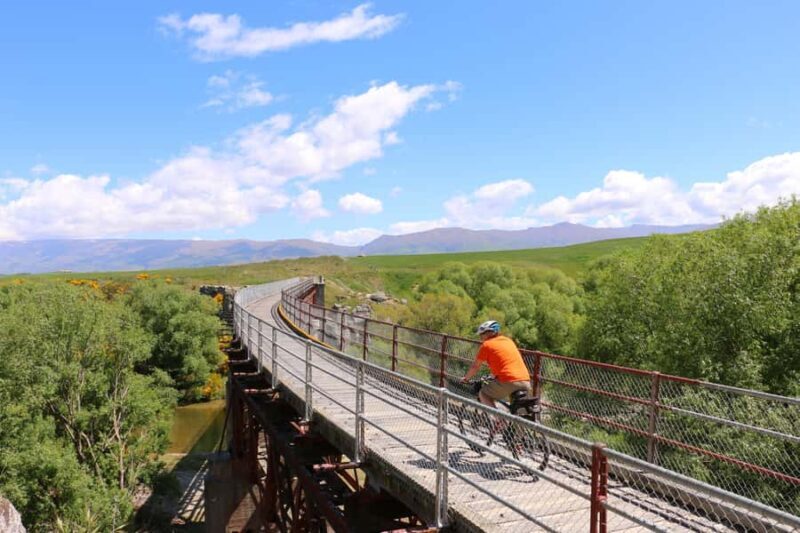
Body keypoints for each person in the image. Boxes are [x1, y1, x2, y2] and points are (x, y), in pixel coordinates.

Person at [461, 320, 532, 408]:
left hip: (508, 381)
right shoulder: (508, 341)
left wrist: (466, 379)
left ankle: (496, 417)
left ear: (489, 333)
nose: (481, 337)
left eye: (482, 334)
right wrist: (492, 375)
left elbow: (475, 366)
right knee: (516, 407)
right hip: (526, 381)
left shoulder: (487, 345)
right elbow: (504, 362)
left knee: (483, 394)